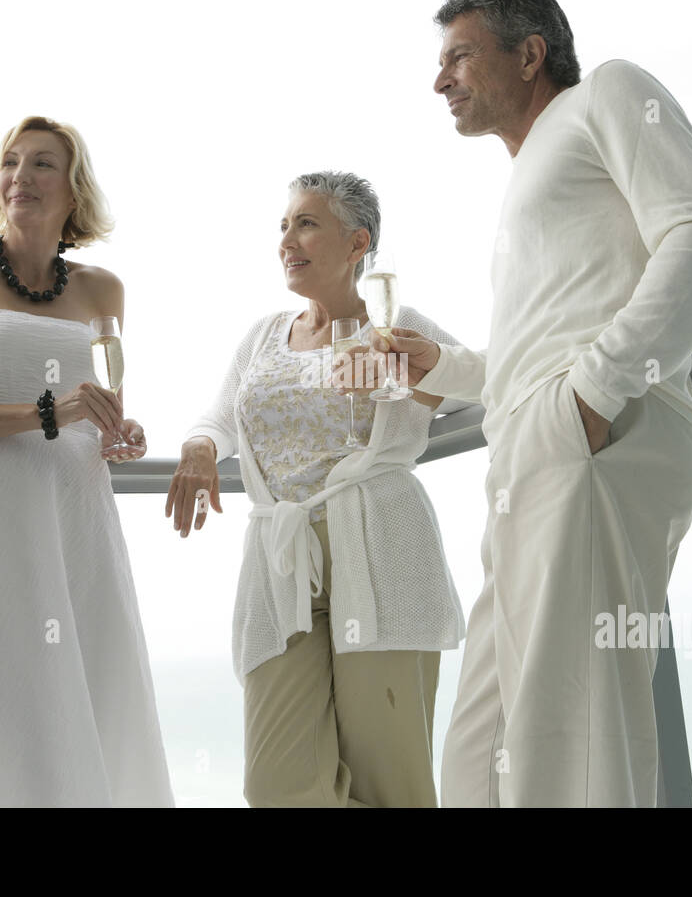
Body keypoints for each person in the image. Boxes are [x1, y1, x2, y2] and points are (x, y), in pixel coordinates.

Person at [379, 0, 692, 806]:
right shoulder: (532, 171)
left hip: (585, 447)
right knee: (479, 757)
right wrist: (440, 366)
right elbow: (530, 349)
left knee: (570, 747)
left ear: (531, 52)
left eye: (459, 57)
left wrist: (592, 396)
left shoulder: (608, 93)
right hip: (532, 457)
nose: (440, 80)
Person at [167, 171, 468, 807]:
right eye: (284, 225)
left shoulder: (398, 324)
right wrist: (198, 447)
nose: (287, 239)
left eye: (306, 223)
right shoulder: (263, 335)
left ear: (358, 244)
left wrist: (415, 373)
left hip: (382, 543)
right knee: (279, 785)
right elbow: (219, 417)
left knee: (391, 780)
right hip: (283, 559)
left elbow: (483, 385)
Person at [0, 115, 173, 806]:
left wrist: (119, 432)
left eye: (42, 164)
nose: (20, 176)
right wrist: (47, 414)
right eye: (11, 162)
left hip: (77, 524)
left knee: (86, 702)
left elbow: (100, 410)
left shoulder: (103, 289)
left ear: (74, 191)